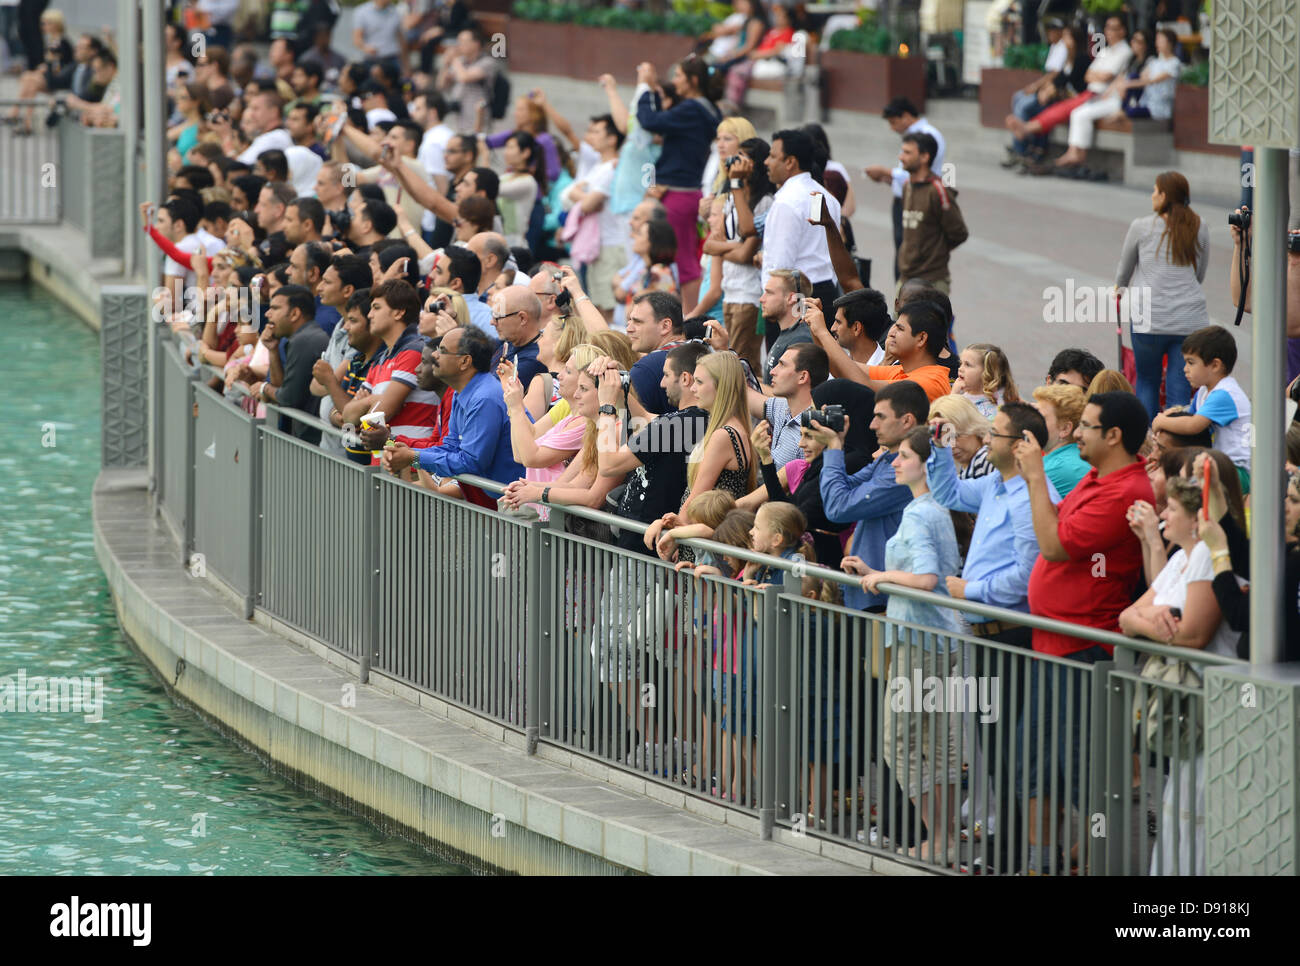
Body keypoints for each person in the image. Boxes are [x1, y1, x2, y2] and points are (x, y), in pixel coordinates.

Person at [1015, 390, 1153, 874]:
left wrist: (1034, 476)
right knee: (1036, 766)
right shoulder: (1096, 478)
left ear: (1113, 436)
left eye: (1087, 426)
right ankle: (1041, 864)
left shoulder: (1126, 491)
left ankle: (1098, 862)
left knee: (1082, 771)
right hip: (1051, 643)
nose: (1075, 433)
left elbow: (1052, 546)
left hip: (1084, 649)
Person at [842, 425, 962, 861]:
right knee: (933, 741)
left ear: (926, 464)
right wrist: (874, 569)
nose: (894, 462)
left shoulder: (919, 512)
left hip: (920, 639)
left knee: (899, 741)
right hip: (935, 637)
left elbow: (928, 578)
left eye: (905, 456)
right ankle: (943, 837)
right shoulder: (934, 508)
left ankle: (940, 836)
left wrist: (882, 577)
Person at [1119, 475, 1237, 876]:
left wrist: (1149, 623)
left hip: (1208, 704)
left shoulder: (1206, 554)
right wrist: (1156, 624)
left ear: (1196, 519)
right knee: (1179, 806)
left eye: (1171, 508)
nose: (1162, 514)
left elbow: (1193, 633)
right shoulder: (1180, 557)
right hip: (1180, 701)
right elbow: (1126, 617)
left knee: (1199, 809)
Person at [816, 380, 927, 611]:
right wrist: (835, 444)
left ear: (907, 420)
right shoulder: (887, 462)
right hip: (870, 595)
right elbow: (841, 487)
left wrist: (835, 447)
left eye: (881, 417)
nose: (872, 425)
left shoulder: (904, 476)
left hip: (885, 600)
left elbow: (839, 507)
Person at [381, 326, 525, 496]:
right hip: (503, 500)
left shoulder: (484, 398)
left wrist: (413, 457)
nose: (434, 355)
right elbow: (451, 447)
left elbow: (470, 461)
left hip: (518, 503)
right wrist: (411, 453)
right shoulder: (461, 392)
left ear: (464, 362)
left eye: (442, 351)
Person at [1116, 171, 1209, 420]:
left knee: (1147, 380)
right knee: (1180, 384)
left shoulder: (1141, 226)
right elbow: (1198, 274)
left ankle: (1148, 444)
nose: (1152, 195)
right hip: (1189, 320)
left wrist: (1120, 288)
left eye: (1155, 191)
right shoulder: (1199, 226)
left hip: (1149, 318)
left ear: (1165, 195)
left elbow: (1124, 272)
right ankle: (1176, 445)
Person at [635, 55, 723, 309]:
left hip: (678, 194)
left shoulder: (693, 108)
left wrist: (645, 88)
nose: (674, 81)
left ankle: (687, 319)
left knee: (682, 259)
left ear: (693, 80)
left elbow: (650, 121)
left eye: (679, 76)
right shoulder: (706, 108)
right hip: (682, 193)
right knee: (676, 257)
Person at [1152, 324, 1252, 493]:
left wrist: (1162, 420)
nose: (1185, 369)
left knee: (1189, 487)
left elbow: (1193, 425)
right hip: (1221, 463)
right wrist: (1172, 414)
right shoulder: (1205, 391)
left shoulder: (1224, 393)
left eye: (1191, 363)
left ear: (1215, 365)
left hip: (1238, 471)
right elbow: (1186, 416)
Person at [864, 98, 945, 281]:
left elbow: (921, 173)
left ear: (906, 117)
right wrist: (886, 177)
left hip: (919, 199)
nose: (892, 128)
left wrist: (886, 171)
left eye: (894, 122)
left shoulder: (927, 135)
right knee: (903, 249)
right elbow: (907, 174)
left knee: (913, 250)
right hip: (905, 198)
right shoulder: (914, 136)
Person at [762, 127, 841, 307]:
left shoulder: (786, 202)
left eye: (773, 156)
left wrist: (770, 298)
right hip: (827, 292)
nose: (766, 162)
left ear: (790, 162)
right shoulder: (828, 198)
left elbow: (781, 264)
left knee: (794, 337)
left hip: (793, 296)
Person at [249, 284, 331, 444]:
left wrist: (263, 388)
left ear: (294, 314)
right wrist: (273, 350)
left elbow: (288, 398)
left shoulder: (305, 340)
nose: (268, 313)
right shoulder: (303, 337)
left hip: (312, 442)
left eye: (275, 308)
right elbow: (282, 389)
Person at [680, 351, 757, 514]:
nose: (692, 389)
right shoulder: (733, 429)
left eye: (699, 382)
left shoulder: (723, 435)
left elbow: (695, 500)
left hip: (705, 529)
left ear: (721, 387)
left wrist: (674, 531)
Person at [895, 132, 967, 295]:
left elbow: (959, 233)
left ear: (924, 157)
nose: (901, 157)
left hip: (932, 281)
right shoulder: (907, 186)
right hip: (905, 279)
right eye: (902, 151)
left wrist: (935, 252)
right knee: (896, 320)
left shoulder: (938, 190)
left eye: (907, 153)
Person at [858, 299, 952, 401]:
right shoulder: (903, 369)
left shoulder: (928, 383)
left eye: (900, 329)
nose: (891, 333)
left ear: (921, 338)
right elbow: (855, 369)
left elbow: (865, 384)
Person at [1031, 382, 1091, 498]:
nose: (1033, 421)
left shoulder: (1058, 467)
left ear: (1065, 429)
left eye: (1041, 418)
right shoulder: (1072, 456)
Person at [928, 395, 994, 480]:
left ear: (972, 426)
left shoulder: (986, 460)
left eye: (956, 436)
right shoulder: (968, 466)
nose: (951, 446)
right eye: (945, 440)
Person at [952, 342, 1018, 420]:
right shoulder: (962, 392)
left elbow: (947, 422)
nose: (960, 368)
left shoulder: (994, 407)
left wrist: (953, 396)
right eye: (961, 363)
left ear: (987, 372)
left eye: (967, 365)